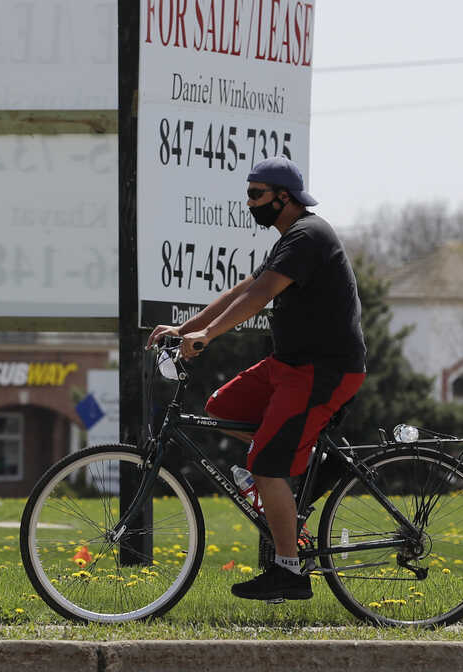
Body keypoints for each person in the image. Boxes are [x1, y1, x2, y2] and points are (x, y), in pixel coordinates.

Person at [147, 156, 366, 601]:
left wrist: (209, 335)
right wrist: (188, 328)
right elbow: (245, 289)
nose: (248, 204)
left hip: (322, 370)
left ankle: (289, 571)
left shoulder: (308, 235)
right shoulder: (291, 238)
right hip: (288, 366)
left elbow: (263, 294)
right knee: (221, 407)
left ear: (283, 198)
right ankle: (300, 474)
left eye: (255, 195)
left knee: (265, 464)